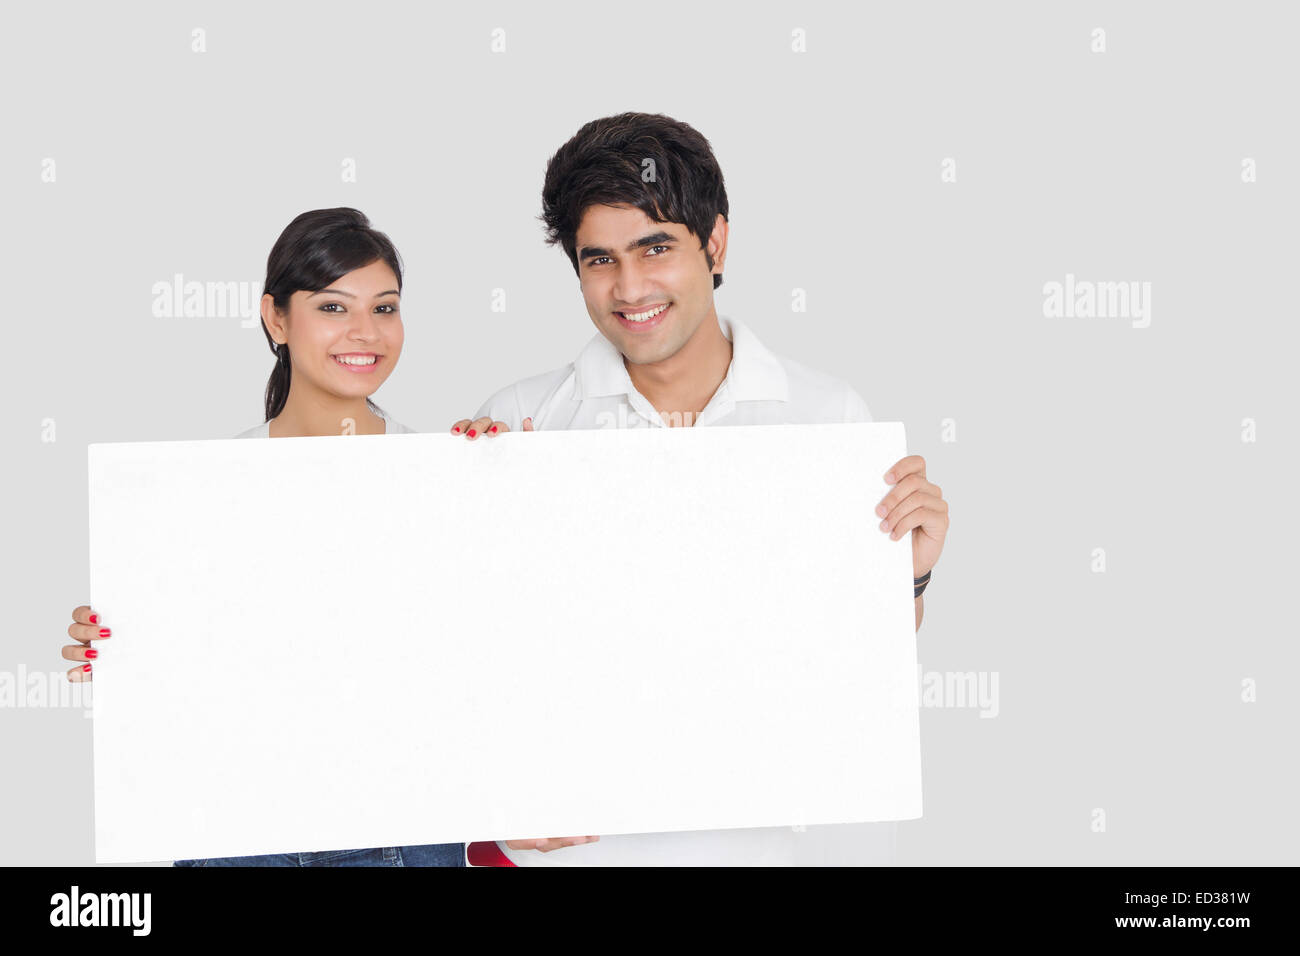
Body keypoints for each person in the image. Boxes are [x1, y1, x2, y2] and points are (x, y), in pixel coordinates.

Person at [453, 113, 951, 866]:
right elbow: (463, 665)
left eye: (655, 248)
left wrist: (909, 574)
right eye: (600, 261)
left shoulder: (827, 417)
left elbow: (850, 663)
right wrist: (484, 801)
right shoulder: (518, 421)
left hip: (742, 847)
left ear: (714, 243)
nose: (629, 288)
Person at [63, 207, 477, 866]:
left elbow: (487, 657)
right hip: (237, 830)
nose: (365, 332)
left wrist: (514, 500)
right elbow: (187, 666)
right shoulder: (202, 489)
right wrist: (119, 649)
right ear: (276, 318)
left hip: (401, 828)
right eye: (333, 308)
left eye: (386, 307)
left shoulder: (451, 474)